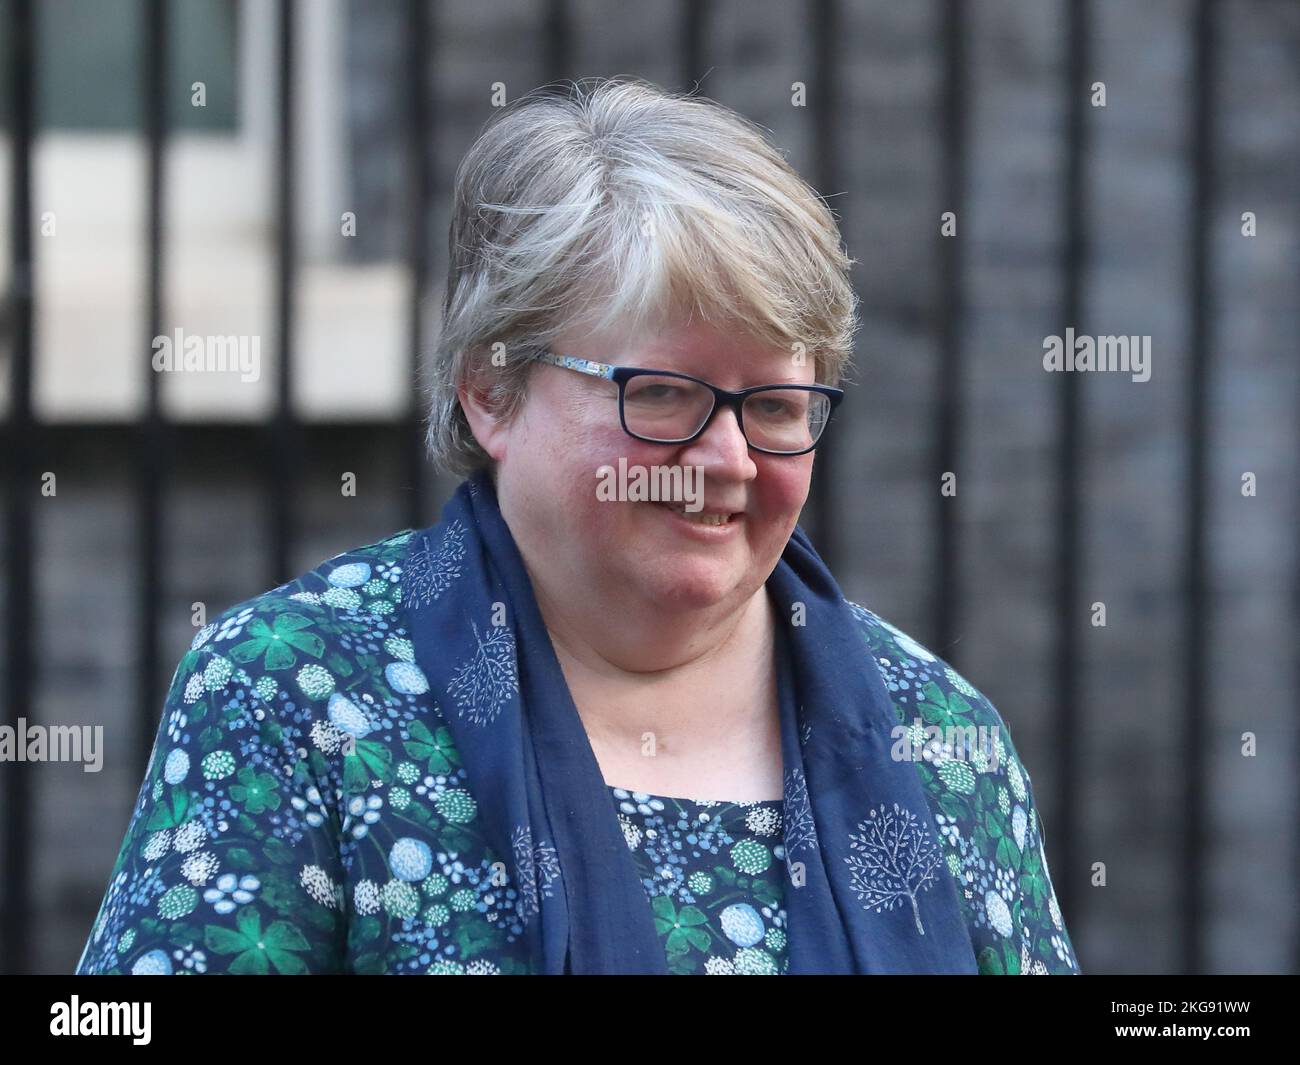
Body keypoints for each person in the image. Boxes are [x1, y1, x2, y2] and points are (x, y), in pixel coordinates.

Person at [76, 76, 1079, 975]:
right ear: (490, 391)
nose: (728, 460)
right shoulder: (295, 694)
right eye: (662, 394)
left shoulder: (938, 736)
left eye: (773, 407)